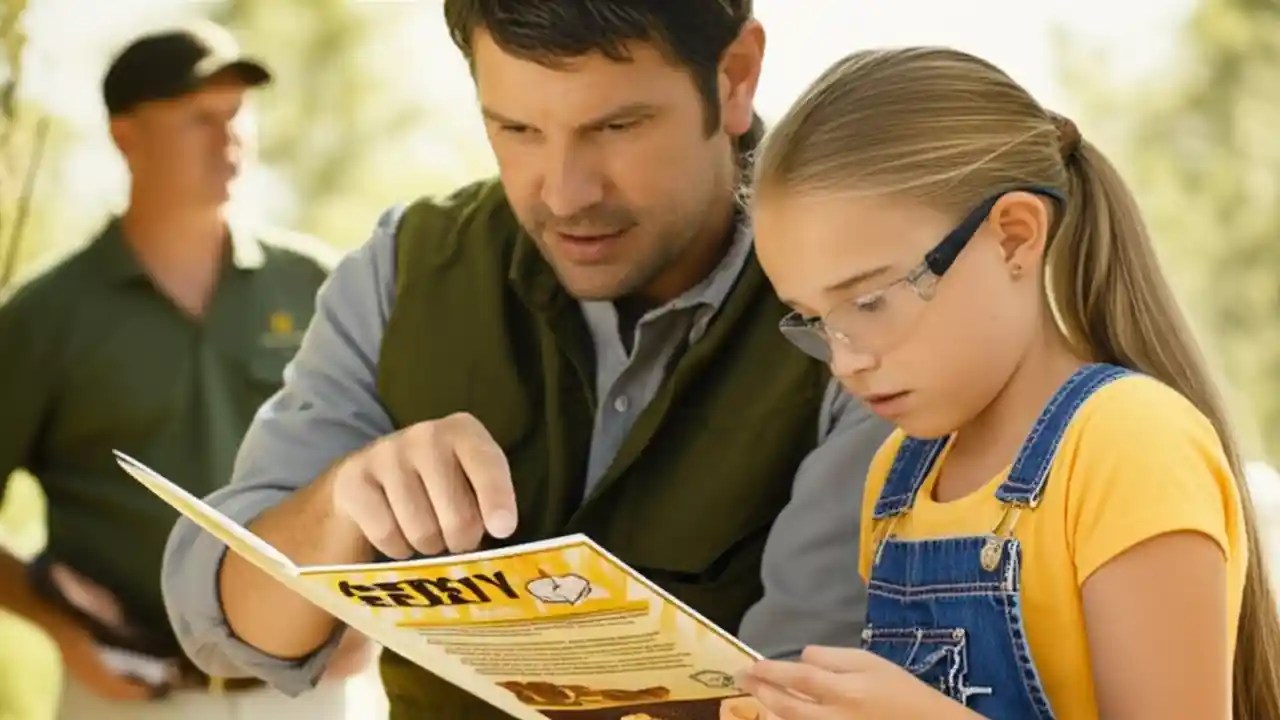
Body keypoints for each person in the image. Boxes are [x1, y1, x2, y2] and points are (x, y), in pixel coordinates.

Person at [160, 2, 894, 717]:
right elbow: (225, 631)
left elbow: (811, 691)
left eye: (616, 127)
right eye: (516, 129)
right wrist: (339, 504)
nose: (566, 195)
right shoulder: (400, 272)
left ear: (734, 76)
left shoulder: (865, 302)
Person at [722, 47, 1280, 720]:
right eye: (815, 321)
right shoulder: (897, 478)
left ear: (1014, 237)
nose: (844, 363)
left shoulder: (1129, 443)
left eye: (867, 303)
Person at [0, 21, 363, 720]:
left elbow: (388, 459)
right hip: (125, 697)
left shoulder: (321, 286)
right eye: (199, 117)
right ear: (125, 136)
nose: (229, 137)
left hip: (309, 696)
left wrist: (368, 618)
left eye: (237, 113)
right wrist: (61, 627)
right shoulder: (44, 317)